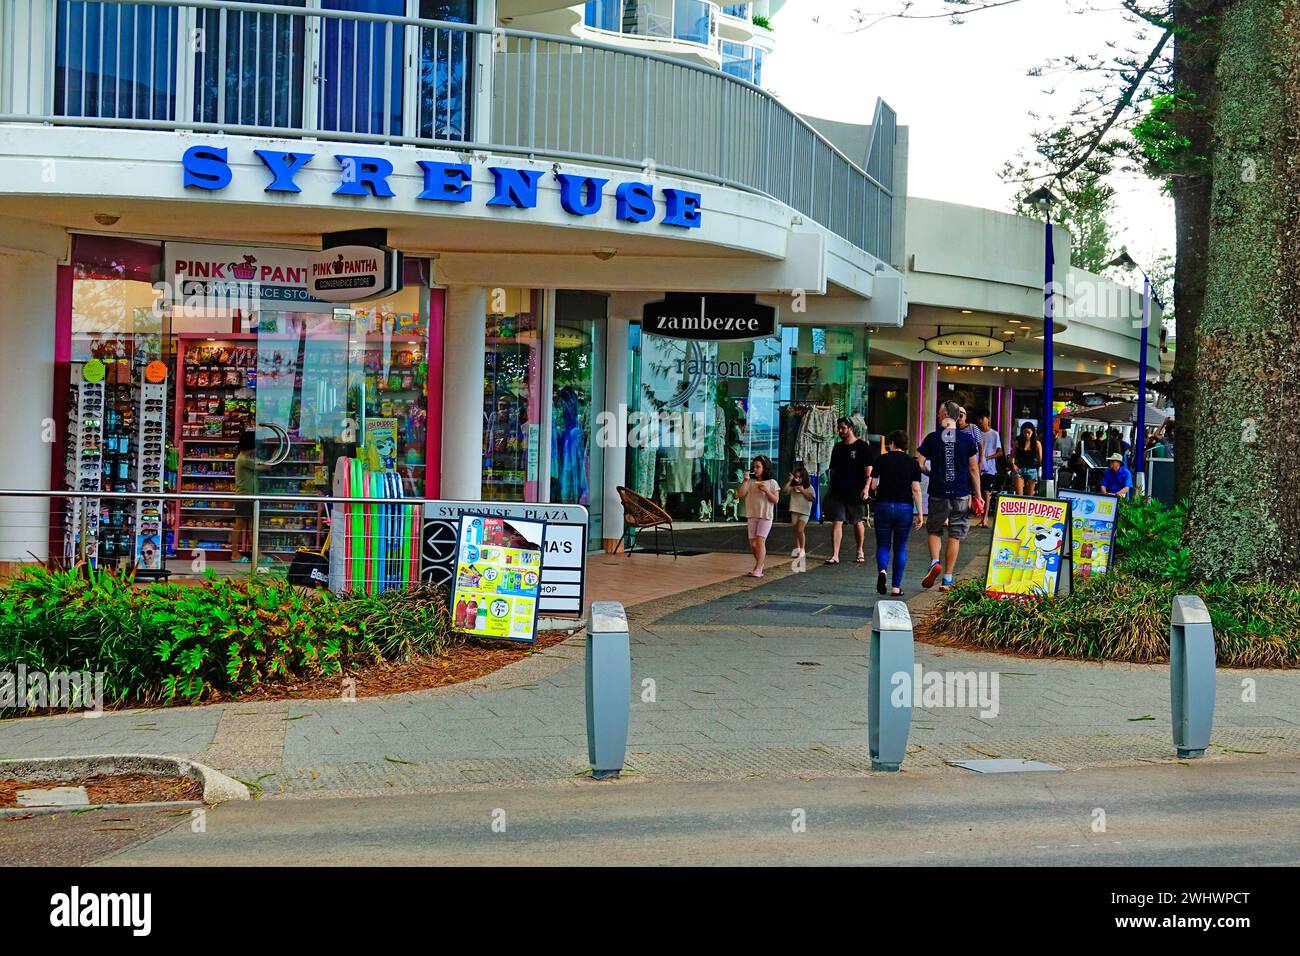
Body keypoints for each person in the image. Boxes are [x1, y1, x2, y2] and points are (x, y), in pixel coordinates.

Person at [917, 403, 983, 591]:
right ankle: (947, 578)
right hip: (960, 493)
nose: (938, 415)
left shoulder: (932, 438)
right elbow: (973, 468)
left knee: (934, 530)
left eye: (939, 412)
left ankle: (935, 562)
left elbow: (920, 463)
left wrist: (930, 472)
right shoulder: (967, 440)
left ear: (946, 414)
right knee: (955, 535)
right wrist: (978, 495)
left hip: (938, 491)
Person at [871, 430, 924, 596]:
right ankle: (895, 587)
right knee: (900, 547)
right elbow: (915, 489)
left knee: (883, 545)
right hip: (904, 508)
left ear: (892, 443)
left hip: (883, 506)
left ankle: (882, 571)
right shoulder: (912, 463)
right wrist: (920, 514)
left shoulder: (881, 459)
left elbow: (873, 485)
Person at [825, 416, 874, 564]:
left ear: (851, 428)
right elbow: (832, 469)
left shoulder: (862, 447)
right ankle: (835, 554)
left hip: (856, 490)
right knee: (837, 520)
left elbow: (869, 469)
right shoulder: (838, 447)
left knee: (857, 521)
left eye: (843, 428)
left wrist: (866, 488)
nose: (840, 431)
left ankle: (860, 550)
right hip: (838, 490)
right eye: (839, 428)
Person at [230, 430, 270, 563]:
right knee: (240, 524)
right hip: (244, 496)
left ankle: (256, 553)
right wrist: (275, 456)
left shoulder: (247, 458)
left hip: (250, 496)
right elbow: (263, 467)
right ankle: (235, 554)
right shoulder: (243, 459)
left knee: (251, 526)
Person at [737, 455, 780, 577]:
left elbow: (776, 500)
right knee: (753, 544)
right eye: (753, 466)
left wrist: (766, 490)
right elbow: (740, 494)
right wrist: (745, 481)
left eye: (758, 467)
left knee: (760, 541)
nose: (755, 469)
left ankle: (759, 568)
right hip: (752, 515)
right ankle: (759, 564)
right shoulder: (750, 482)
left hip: (765, 516)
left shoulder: (772, 483)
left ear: (765, 468)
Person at [782, 461, 815, 559]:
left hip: (805, 511)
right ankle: (798, 548)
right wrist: (790, 481)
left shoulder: (809, 487)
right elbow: (784, 491)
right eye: (796, 477)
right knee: (796, 530)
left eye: (800, 477)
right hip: (794, 510)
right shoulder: (793, 486)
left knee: (800, 529)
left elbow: (812, 498)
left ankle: (802, 549)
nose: (798, 479)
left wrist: (803, 491)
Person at [976, 412, 1002, 528]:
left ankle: (985, 517)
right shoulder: (977, 434)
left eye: (982, 418)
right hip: (977, 467)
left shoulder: (994, 434)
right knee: (978, 491)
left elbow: (1000, 452)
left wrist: (987, 457)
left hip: (989, 468)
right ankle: (978, 513)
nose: (980, 421)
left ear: (988, 419)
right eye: (979, 418)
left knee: (986, 491)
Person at [1011, 422, 1044, 497]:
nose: (1027, 435)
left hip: (1031, 470)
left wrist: (1041, 466)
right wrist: (1013, 464)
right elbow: (1013, 456)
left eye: (1028, 432)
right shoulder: (1018, 442)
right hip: (1019, 469)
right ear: (1021, 432)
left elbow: (1040, 459)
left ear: (1032, 432)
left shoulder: (1037, 444)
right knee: (1019, 495)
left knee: (1029, 496)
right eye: (1025, 432)